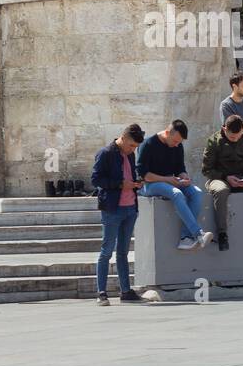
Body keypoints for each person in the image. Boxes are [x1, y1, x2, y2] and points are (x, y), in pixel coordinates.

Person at [136, 119, 212, 251]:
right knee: (176, 193)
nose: (177, 145)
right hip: (150, 185)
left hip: (170, 182)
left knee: (197, 192)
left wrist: (184, 176)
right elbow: (144, 175)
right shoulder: (148, 144)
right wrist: (167, 179)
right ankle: (198, 233)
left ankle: (185, 238)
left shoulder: (177, 146)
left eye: (180, 142)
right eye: (175, 141)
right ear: (167, 133)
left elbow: (180, 168)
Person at [201, 115, 243, 251]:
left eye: (237, 136)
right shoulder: (213, 141)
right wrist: (226, 177)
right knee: (221, 191)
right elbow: (206, 170)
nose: (235, 139)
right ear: (224, 129)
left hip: (242, 178)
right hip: (219, 178)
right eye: (232, 137)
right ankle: (222, 234)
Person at [91, 125, 145, 303]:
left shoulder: (129, 154)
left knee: (123, 252)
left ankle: (126, 291)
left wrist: (137, 183)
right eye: (131, 145)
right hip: (112, 209)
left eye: (135, 147)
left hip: (130, 207)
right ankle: (101, 293)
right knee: (106, 251)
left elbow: (130, 174)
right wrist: (121, 185)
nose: (133, 149)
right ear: (123, 138)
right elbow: (96, 179)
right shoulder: (105, 153)